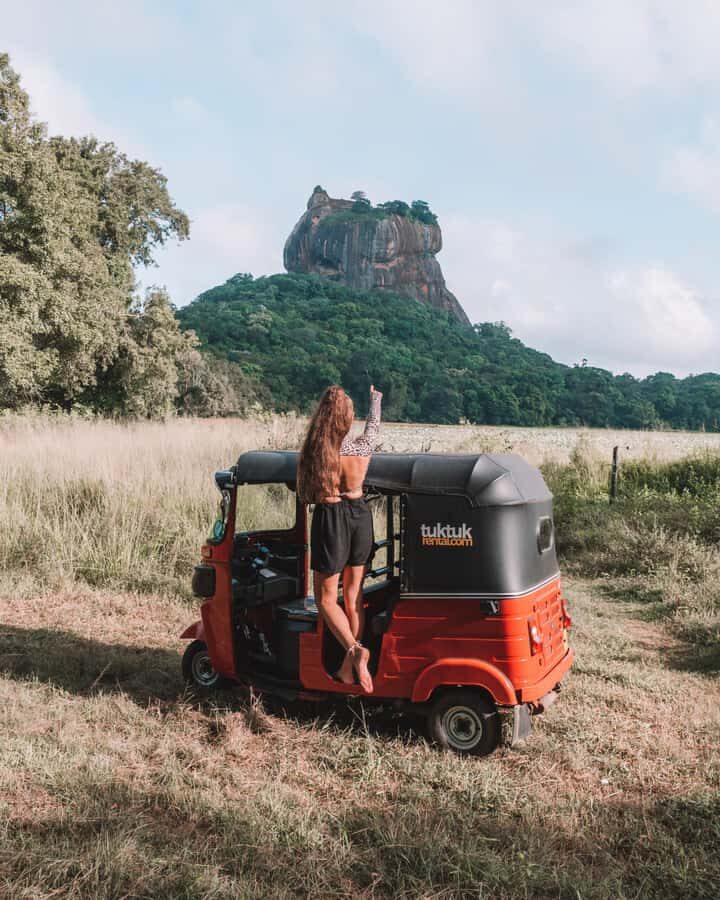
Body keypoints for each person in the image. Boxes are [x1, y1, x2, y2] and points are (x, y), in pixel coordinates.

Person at [297, 383, 383, 693]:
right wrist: (375, 399)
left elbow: (306, 494)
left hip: (332, 519)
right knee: (353, 598)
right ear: (348, 418)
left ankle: (354, 650)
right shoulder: (361, 447)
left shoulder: (321, 451)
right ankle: (349, 668)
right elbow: (373, 427)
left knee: (324, 599)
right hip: (361, 515)